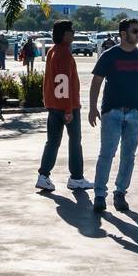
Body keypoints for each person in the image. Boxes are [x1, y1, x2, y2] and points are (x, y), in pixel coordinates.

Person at [89, 18, 138, 213]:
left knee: (128, 156)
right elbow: (96, 82)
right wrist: (93, 108)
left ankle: (120, 193)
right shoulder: (109, 55)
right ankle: (100, 195)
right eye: (135, 31)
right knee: (107, 155)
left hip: (136, 114)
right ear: (123, 34)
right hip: (111, 112)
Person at [35, 20, 92, 193]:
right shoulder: (65, 54)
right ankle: (76, 177)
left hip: (54, 106)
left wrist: (49, 102)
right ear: (64, 34)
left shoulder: (53, 51)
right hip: (68, 107)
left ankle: (43, 175)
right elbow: (64, 83)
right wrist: (68, 109)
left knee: (52, 142)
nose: (74, 33)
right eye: (71, 31)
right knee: (75, 142)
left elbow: (50, 81)